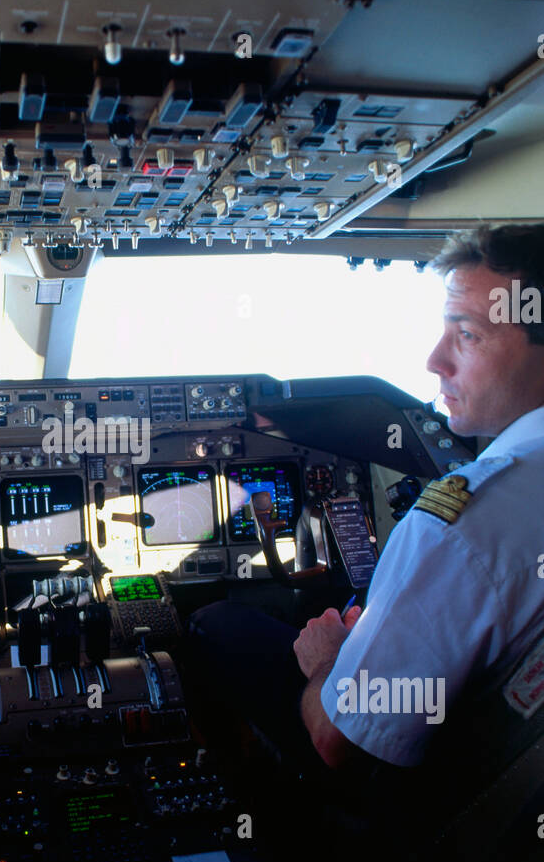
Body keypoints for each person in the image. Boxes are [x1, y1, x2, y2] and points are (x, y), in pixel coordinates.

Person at [187, 222, 544, 778]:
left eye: (468, 334)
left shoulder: (462, 526)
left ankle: (253, 821)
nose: (434, 360)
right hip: (505, 790)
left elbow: (340, 742)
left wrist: (327, 662)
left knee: (216, 624)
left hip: (420, 803)